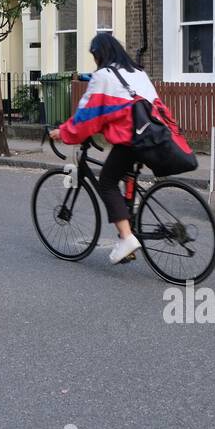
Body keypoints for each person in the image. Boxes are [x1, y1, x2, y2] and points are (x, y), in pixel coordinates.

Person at [50, 33, 162, 265]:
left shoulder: (104, 76)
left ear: (100, 55)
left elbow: (87, 115)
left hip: (131, 139)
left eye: (94, 56)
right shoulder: (139, 72)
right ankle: (126, 234)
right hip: (153, 136)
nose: (95, 61)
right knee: (124, 177)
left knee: (107, 183)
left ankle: (128, 238)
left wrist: (63, 132)